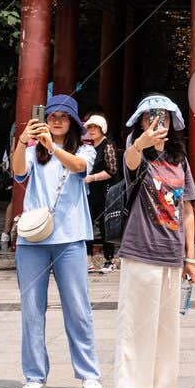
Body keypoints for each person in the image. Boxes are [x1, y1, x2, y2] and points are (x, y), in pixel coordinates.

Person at [115, 93, 195, 388]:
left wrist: (190, 256)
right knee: (136, 333)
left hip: (171, 255)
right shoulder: (137, 156)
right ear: (140, 122)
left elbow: (188, 209)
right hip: (140, 253)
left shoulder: (179, 160)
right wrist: (140, 142)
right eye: (149, 117)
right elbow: (130, 160)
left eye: (162, 116)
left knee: (167, 333)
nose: (156, 122)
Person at [9, 94, 100, 388]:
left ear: (73, 122)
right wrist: (23, 141)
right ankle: (34, 375)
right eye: (51, 115)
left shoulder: (85, 150)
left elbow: (77, 167)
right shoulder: (35, 151)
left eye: (63, 116)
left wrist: (53, 146)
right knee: (32, 310)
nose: (56, 120)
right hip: (32, 239)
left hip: (70, 238)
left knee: (77, 308)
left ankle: (88, 373)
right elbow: (18, 172)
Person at [82, 114, 121, 272]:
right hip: (91, 191)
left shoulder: (108, 146)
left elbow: (112, 170)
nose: (91, 130)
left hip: (105, 191)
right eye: (89, 127)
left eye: (94, 127)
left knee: (106, 227)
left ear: (102, 129)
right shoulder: (88, 147)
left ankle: (109, 260)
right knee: (87, 225)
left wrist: (92, 177)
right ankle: (87, 260)